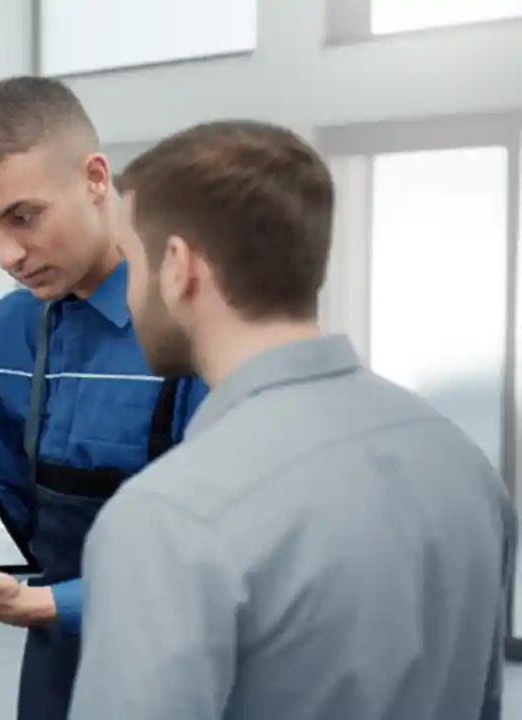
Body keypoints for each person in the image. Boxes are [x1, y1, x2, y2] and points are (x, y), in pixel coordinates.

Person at [68, 119, 517, 720]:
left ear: (178, 266)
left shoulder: (167, 518)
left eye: (130, 263)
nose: (125, 294)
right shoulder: (465, 468)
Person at [0, 75, 208, 719]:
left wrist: (44, 603)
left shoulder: (199, 328)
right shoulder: (11, 328)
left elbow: (222, 558)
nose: (7, 254)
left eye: (23, 216)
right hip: (55, 667)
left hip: (183, 665)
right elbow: (9, 500)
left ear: (95, 179)